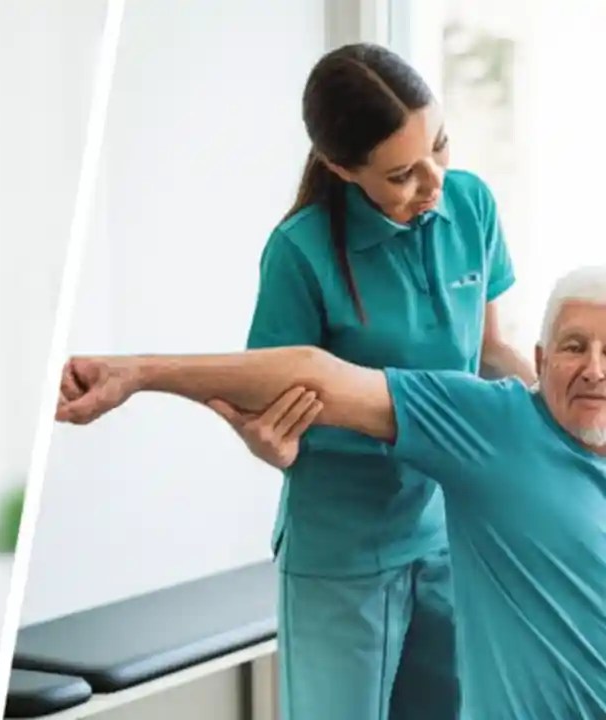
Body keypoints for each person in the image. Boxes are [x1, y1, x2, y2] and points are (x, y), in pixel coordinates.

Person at [57, 264, 606, 720]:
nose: (593, 369)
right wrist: (137, 373)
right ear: (540, 361)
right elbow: (315, 375)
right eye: (574, 347)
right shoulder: (497, 427)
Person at [193, 42, 534, 720]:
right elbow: (266, 401)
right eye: (402, 174)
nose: (433, 182)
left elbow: (491, 349)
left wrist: (562, 421)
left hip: (447, 529)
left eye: (439, 147)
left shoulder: (471, 205)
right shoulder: (300, 251)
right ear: (342, 168)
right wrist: (267, 444)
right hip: (342, 547)